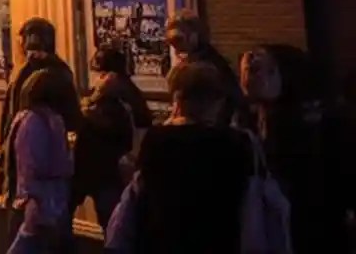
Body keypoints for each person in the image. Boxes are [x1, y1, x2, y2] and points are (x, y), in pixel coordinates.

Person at [105, 61, 255, 252]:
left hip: (164, 239)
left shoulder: (159, 139)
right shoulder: (236, 141)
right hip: (220, 239)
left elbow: (142, 189)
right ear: (218, 101)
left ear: (178, 99)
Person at [241, 44, 350, 252]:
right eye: (248, 70)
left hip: (311, 222)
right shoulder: (248, 116)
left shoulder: (314, 120)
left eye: (262, 70)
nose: (250, 78)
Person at [0, 16, 80, 241]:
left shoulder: (44, 75)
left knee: (29, 231)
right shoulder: (54, 72)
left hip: (34, 169)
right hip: (35, 166)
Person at [72, 45, 151, 228]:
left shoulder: (113, 97)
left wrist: (86, 112)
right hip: (112, 168)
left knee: (112, 220)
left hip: (108, 169)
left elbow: (101, 124)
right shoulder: (130, 93)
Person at [5, 69, 74, 254]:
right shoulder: (45, 122)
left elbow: (28, 165)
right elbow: (32, 167)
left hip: (43, 204)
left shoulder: (35, 121)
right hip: (48, 204)